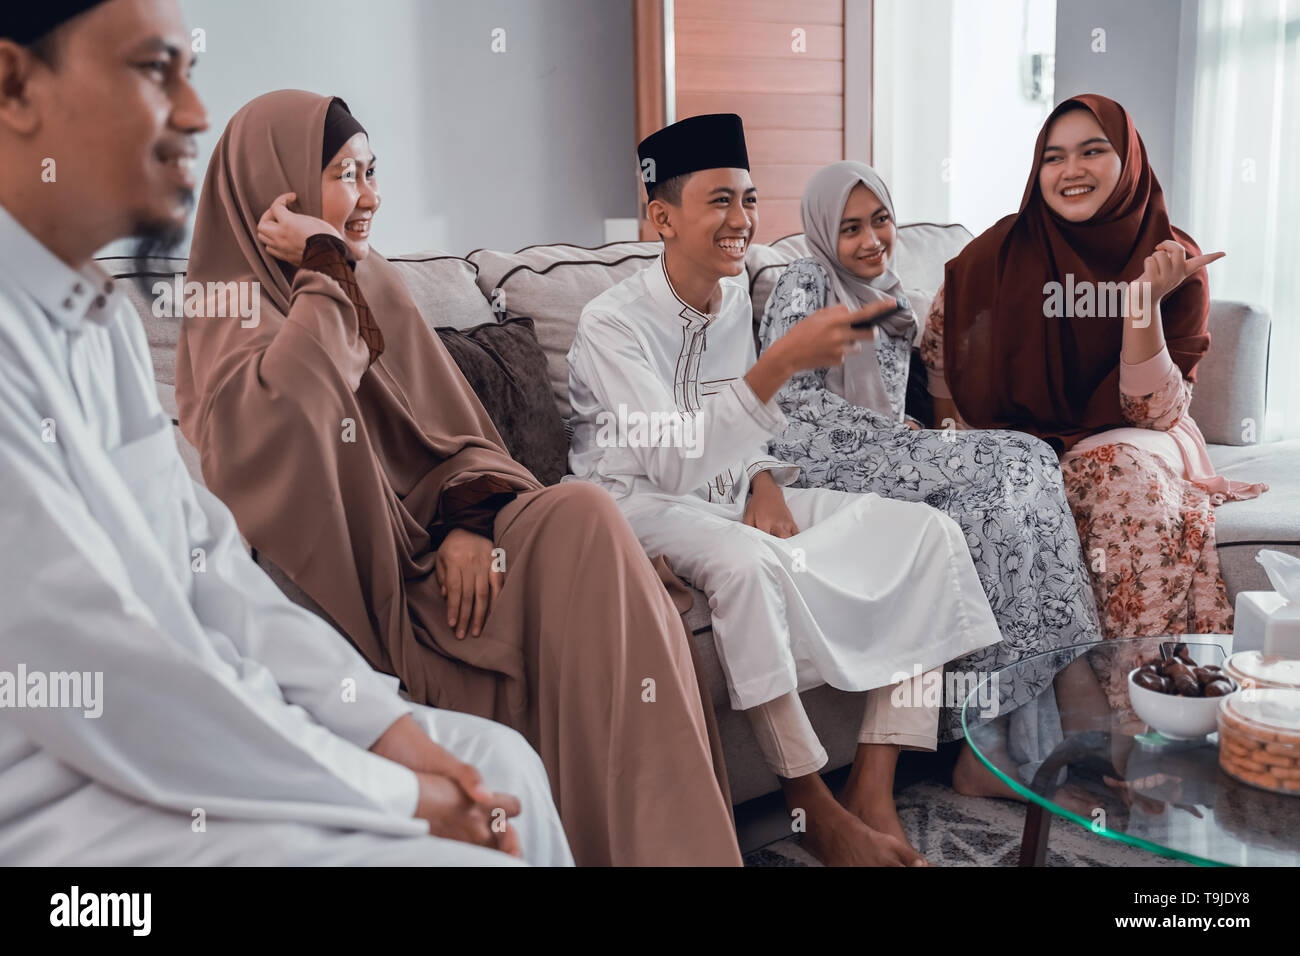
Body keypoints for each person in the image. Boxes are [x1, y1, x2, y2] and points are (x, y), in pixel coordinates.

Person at [0, 0, 570, 865]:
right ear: (14, 86)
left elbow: (213, 572)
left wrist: (388, 730)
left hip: (192, 721)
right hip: (72, 792)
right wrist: (395, 793)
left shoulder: (97, 326)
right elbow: (108, 674)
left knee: (503, 767)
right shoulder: (223, 313)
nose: (195, 114)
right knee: (448, 845)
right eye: (156, 71)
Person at [175, 89, 742, 867]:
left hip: (450, 545)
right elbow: (292, 431)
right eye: (346, 174)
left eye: (373, 171)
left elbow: (460, 439)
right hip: (376, 590)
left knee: (582, 517)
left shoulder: (370, 283)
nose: (370, 197)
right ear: (276, 192)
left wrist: (467, 522)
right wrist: (323, 265)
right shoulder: (232, 317)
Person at [567, 113, 1005, 866]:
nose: (742, 222)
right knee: (747, 563)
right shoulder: (610, 324)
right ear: (661, 217)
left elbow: (739, 436)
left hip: (731, 490)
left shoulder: (732, 296)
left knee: (928, 533)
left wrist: (765, 476)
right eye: (719, 202)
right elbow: (671, 459)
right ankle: (811, 802)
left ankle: (875, 779)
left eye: (749, 199)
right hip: (635, 504)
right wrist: (779, 367)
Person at [757, 160, 1103, 791]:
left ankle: (988, 747)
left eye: (881, 220)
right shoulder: (805, 280)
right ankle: (1079, 687)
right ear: (820, 234)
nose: (870, 240)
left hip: (875, 453)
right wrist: (898, 439)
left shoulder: (889, 305)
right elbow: (791, 403)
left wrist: (910, 436)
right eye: (849, 228)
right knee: (1021, 455)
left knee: (993, 500)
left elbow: (887, 406)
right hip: (812, 460)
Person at [920, 94, 1267, 711]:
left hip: (1132, 436)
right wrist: (958, 440)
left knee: (1117, 478)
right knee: (1034, 489)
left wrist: (1142, 307)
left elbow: (1154, 413)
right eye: (1053, 157)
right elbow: (942, 352)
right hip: (1019, 443)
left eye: (1092, 150)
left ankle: (1141, 720)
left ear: (1128, 159)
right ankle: (1099, 721)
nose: (1069, 170)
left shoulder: (1171, 255)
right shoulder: (994, 256)